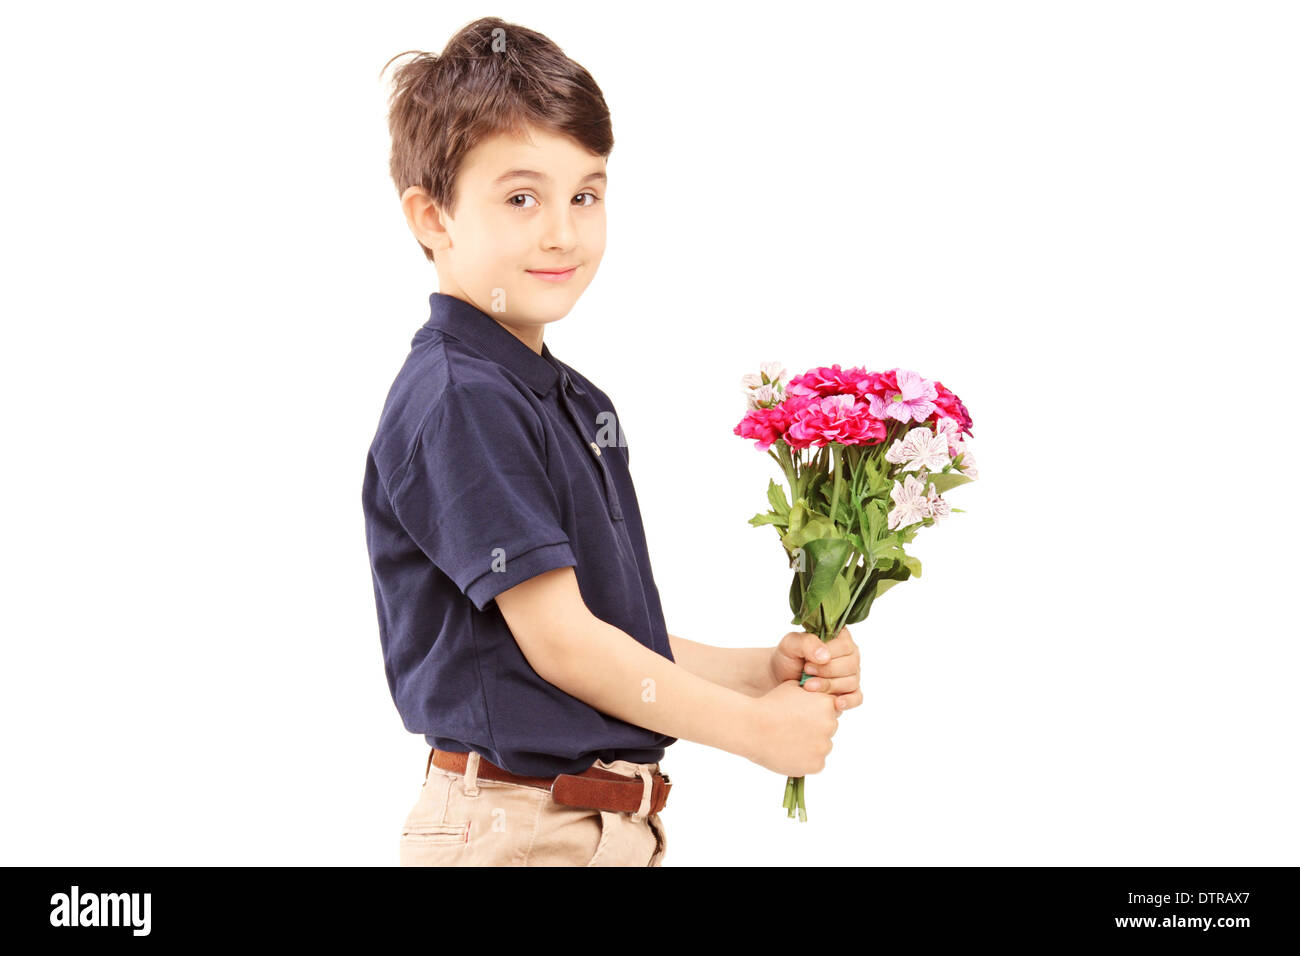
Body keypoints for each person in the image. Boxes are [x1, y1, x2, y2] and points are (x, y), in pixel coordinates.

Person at [361, 16, 862, 867]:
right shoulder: (463, 400)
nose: (562, 231)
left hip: (587, 826)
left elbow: (601, 628)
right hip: (519, 828)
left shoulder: (557, 395)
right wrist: (752, 733)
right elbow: (564, 646)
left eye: (585, 195)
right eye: (522, 197)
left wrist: (755, 673)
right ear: (433, 217)